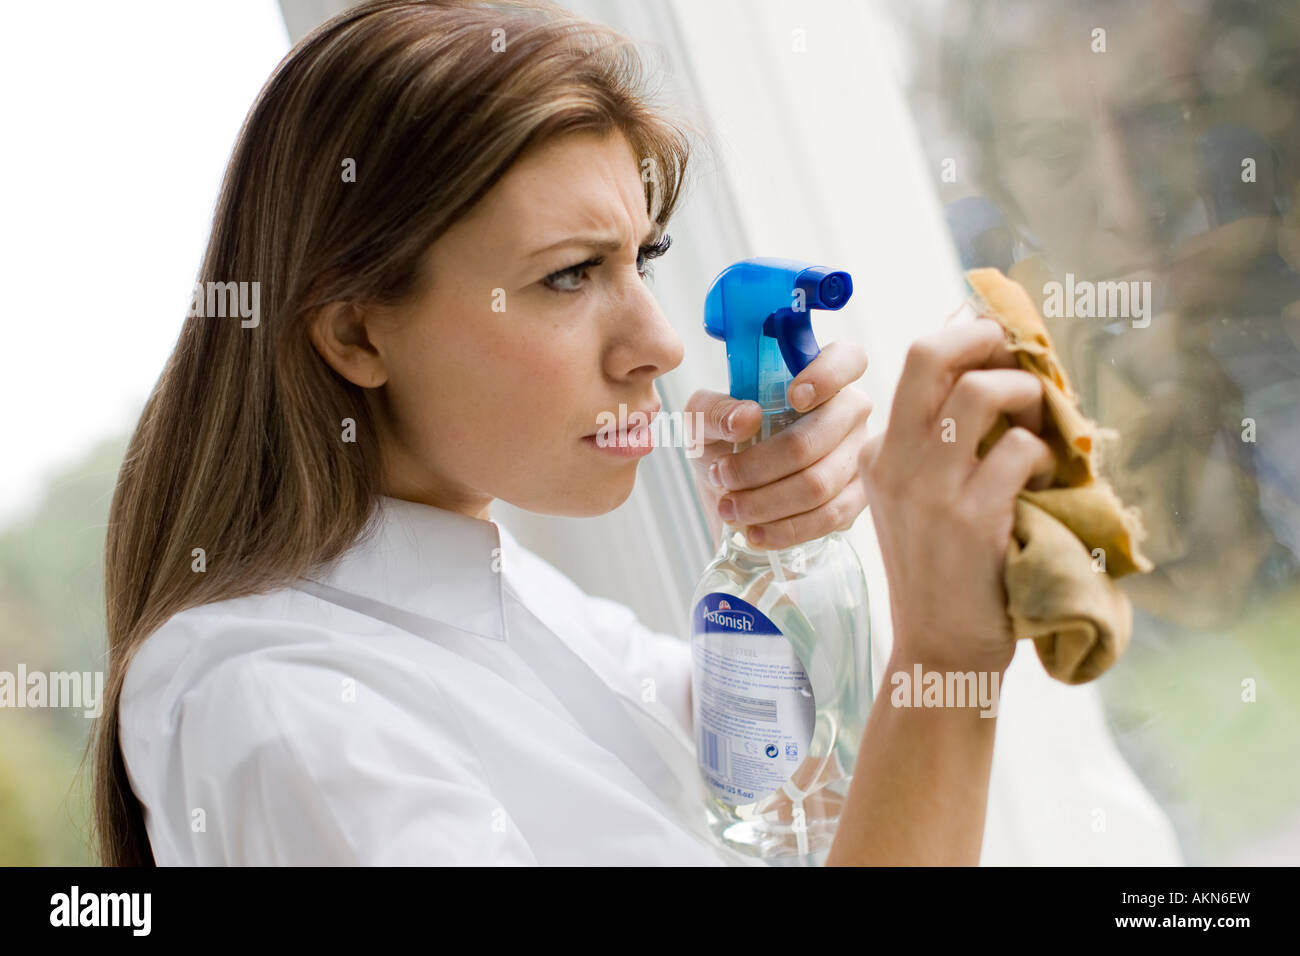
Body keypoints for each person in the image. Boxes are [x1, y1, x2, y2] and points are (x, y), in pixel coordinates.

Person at [92, 0, 1051, 866]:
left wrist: (781, 555)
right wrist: (948, 646)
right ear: (354, 332)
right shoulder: (282, 708)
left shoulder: (520, 601)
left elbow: (796, 811)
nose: (661, 344)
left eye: (643, 258)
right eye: (568, 276)